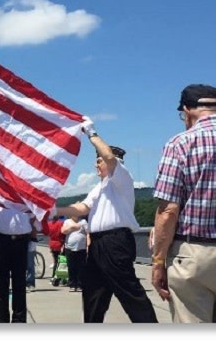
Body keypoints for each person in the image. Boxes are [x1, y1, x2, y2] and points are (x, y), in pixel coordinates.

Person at [151, 84, 216, 323]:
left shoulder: (179, 144)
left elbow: (168, 211)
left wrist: (158, 261)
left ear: (186, 111)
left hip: (193, 255)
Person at [53, 117, 158, 323]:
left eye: (98, 160)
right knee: (93, 293)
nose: (96, 164)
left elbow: (109, 157)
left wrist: (91, 133)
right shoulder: (99, 187)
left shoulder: (121, 177)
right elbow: (83, 207)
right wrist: (53, 210)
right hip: (98, 244)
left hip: (115, 242)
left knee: (129, 292)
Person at [0, 203, 33, 323]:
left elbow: (33, 216)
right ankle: (1, 321)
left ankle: (19, 320)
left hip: (21, 239)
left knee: (20, 282)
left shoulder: (22, 188)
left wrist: (33, 239)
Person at [61, 215, 89, 292]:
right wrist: (71, 227)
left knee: (81, 267)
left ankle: (80, 284)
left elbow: (88, 233)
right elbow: (63, 231)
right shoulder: (67, 221)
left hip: (81, 248)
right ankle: (72, 284)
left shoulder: (83, 222)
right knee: (71, 266)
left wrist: (88, 246)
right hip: (69, 247)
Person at [46, 215, 65, 282]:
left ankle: (53, 276)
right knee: (61, 261)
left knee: (56, 261)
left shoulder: (49, 224)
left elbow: (47, 232)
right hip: (59, 243)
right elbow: (62, 233)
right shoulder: (60, 223)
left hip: (52, 243)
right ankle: (60, 278)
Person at [25, 223, 39, 293]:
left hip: (30, 242)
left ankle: (30, 283)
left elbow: (37, 229)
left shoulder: (33, 219)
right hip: (18, 241)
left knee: (30, 264)